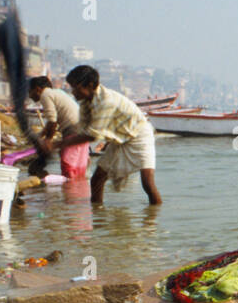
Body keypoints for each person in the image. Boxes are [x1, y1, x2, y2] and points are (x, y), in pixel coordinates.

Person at [56, 65, 161, 205]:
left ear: (90, 85)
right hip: (121, 138)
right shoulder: (86, 103)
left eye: (75, 87)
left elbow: (92, 135)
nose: (73, 92)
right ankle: (98, 219)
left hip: (140, 135)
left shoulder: (106, 101)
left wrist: (55, 145)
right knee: (97, 179)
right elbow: (82, 129)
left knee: (147, 182)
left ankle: (153, 220)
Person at [28, 75, 89, 178]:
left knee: (68, 166)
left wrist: (47, 141)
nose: (29, 96)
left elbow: (52, 121)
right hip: (83, 129)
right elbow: (51, 122)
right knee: (78, 169)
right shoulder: (56, 93)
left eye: (30, 91)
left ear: (37, 89)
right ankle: (78, 191)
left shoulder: (45, 95)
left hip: (73, 130)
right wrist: (41, 135)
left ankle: (68, 191)